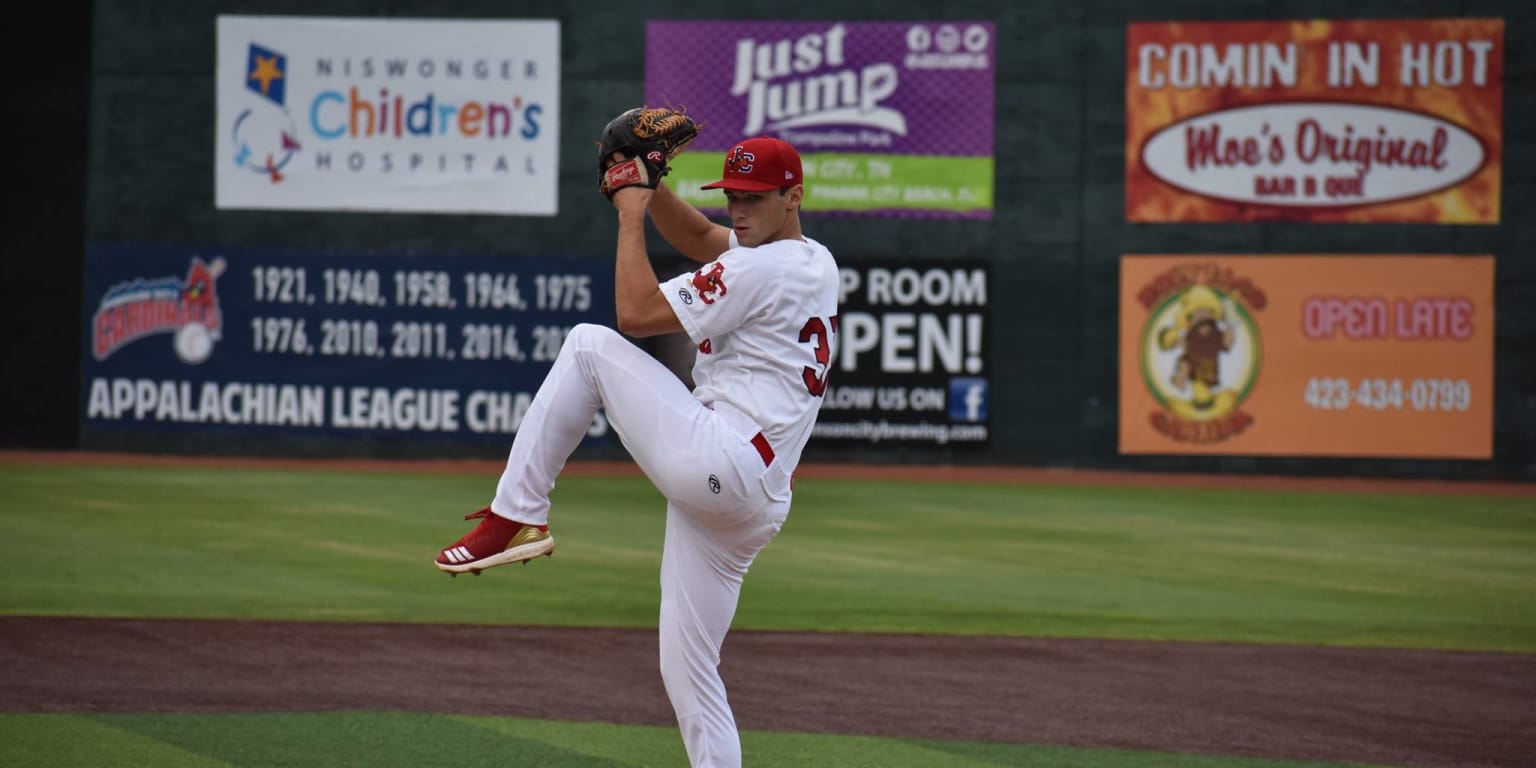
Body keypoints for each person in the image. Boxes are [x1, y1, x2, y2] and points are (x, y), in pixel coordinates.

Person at [433, 134, 840, 768]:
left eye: (755, 198)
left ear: (794, 196)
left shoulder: (759, 267)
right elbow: (705, 242)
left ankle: (516, 514)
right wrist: (654, 190)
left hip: (723, 459)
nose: (739, 209)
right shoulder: (813, 259)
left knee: (590, 346)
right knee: (690, 675)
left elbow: (636, 312)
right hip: (754, 497)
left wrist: (629, 213)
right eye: (732, 194)